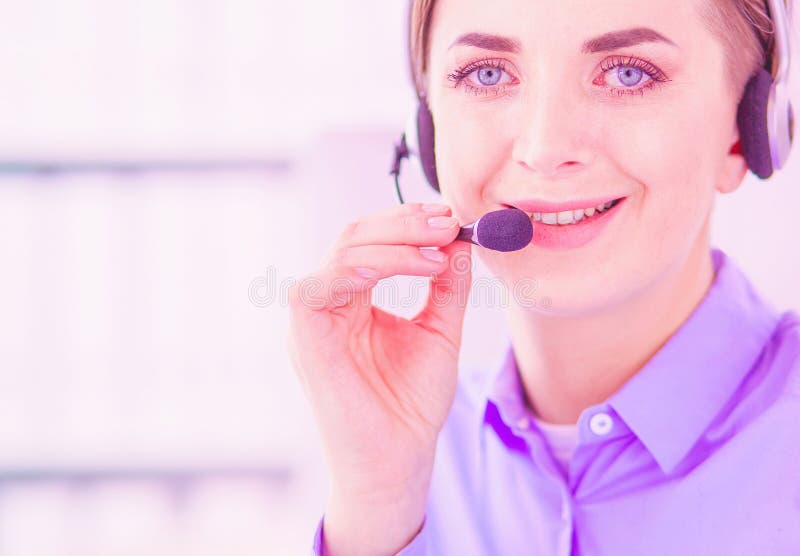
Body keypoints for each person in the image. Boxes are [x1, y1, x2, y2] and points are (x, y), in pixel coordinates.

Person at [287, 0, 800, 554]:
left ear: (747, 130)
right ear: (430, 133)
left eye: (628, 73)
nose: (544, 149)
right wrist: (377, 514)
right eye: (487, 74)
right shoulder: (405, 444)